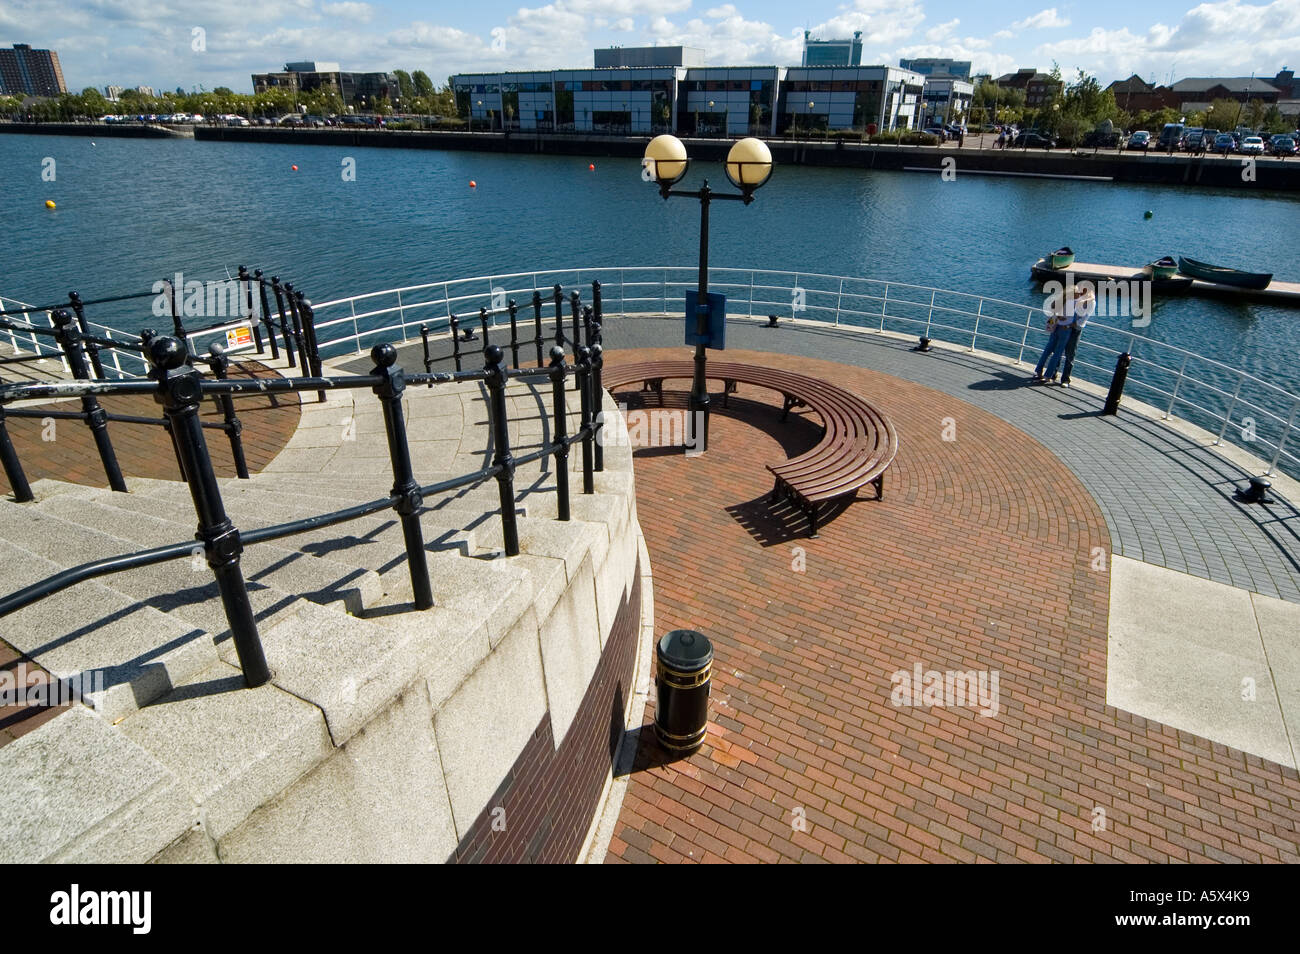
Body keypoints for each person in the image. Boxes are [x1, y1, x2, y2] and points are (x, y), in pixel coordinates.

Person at [1059, 284, 1095, 388]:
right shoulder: (1077, 297)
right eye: (1081, 290)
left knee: (1070, 353)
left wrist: (1071, 324)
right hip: (1066, 326)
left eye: (1084, 290)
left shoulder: (1091, 302)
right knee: (1059, 350)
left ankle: (1065, 379)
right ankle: (1053, 373)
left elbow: (1085, 317)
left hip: (1075, 329)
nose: (1082, 292)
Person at [1032, 290, 1073, 383]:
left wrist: (1059, 317)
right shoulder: (1073, 302)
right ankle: (1048, 375)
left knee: (1047, 350)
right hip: (1065, 328)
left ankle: (1038, 371)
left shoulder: (1060, 299)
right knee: (1058, 353)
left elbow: (1053, 308)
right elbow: (1073, 318)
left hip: (1056, 326)